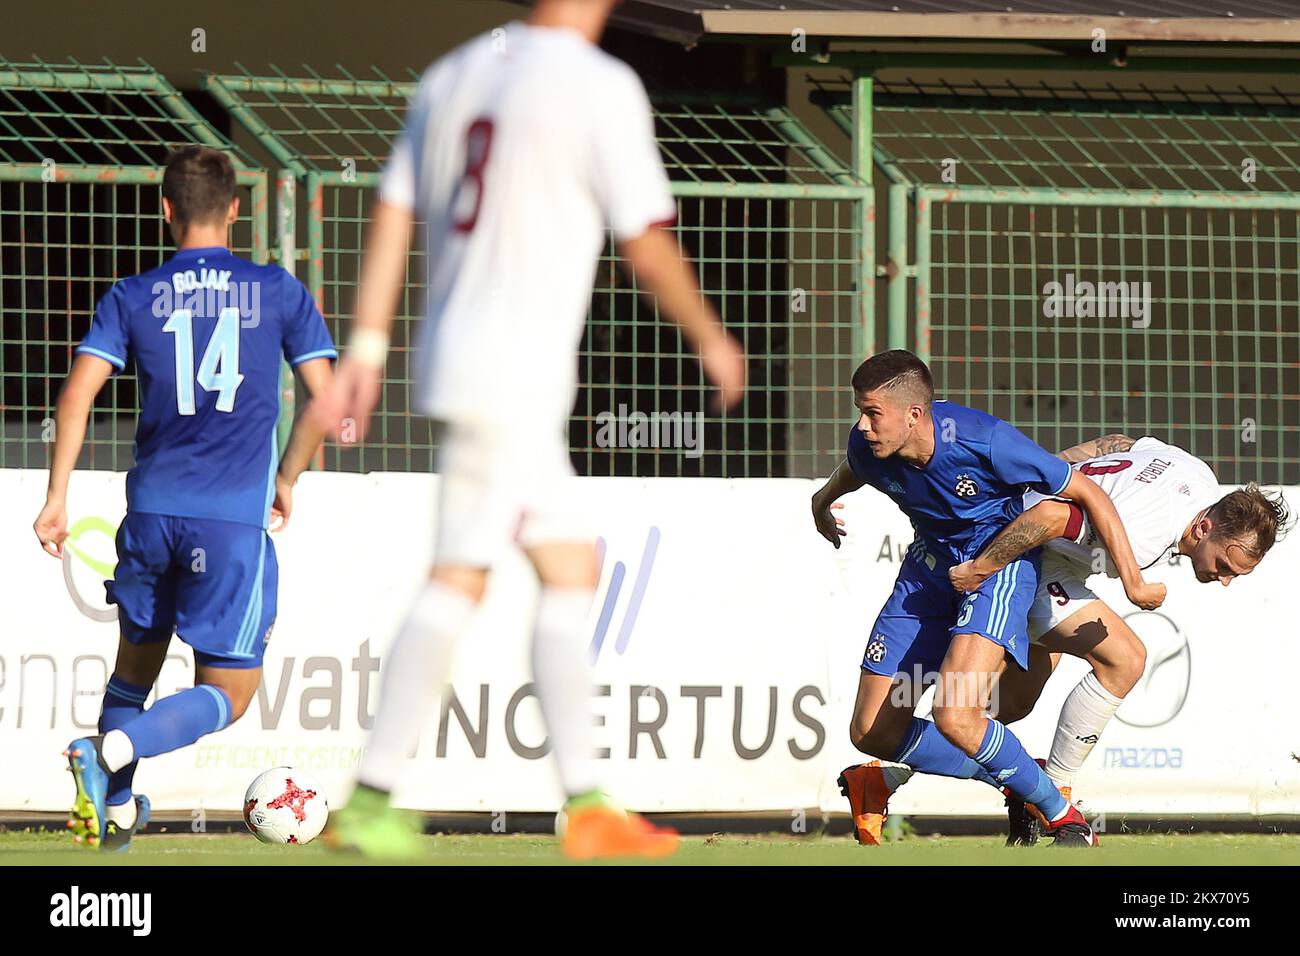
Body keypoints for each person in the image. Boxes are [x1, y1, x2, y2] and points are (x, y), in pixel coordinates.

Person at [315, 0, 746, 859]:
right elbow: (646, 242)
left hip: (470, 366)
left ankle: (585, 806)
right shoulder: (598, 85)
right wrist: (710, 335)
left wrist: (367, 340)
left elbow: (395, 206)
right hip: (512, 376)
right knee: (459, 579)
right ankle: (372, 799)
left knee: (565, 565)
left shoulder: (458, 70)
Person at [32, 145, 336, 850]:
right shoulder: (279, 291)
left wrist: (57, 498)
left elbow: (77, 397)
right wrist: (288, 475)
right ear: (236, 210)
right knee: (228, 695)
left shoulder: (132, 295)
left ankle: (114, 812)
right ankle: (107, 755)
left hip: (150, 515)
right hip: (229, 522)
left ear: (164, 210)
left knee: (133, 672)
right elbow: (325, 399)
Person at [812, 350, 1162, 848]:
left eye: (872, 413)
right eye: (860, 412)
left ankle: (1065, 819)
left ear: (914, 414)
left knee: (957, 714)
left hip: (996, 569)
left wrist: (1133, 581)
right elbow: (857, 465)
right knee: (872, 732)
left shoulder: (984, 439)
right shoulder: (869, 443)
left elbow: (1087, 493)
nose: (863, 425)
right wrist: (821, 500)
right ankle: (1020, 781)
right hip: (926, 574)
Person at [946, 436, 1290, 844]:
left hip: (1052, 562)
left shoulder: (1197, 474)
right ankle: (1058, 802)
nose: (1225, 579)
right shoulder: (1145, 532)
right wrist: (983, 568)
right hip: (1025, 559)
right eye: (1224, 564)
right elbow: (1052, 518)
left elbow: (1115, 444)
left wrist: (1048, 470)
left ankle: (886, 776)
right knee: (1125, 659)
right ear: (1203, 528)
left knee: (1008, 704)